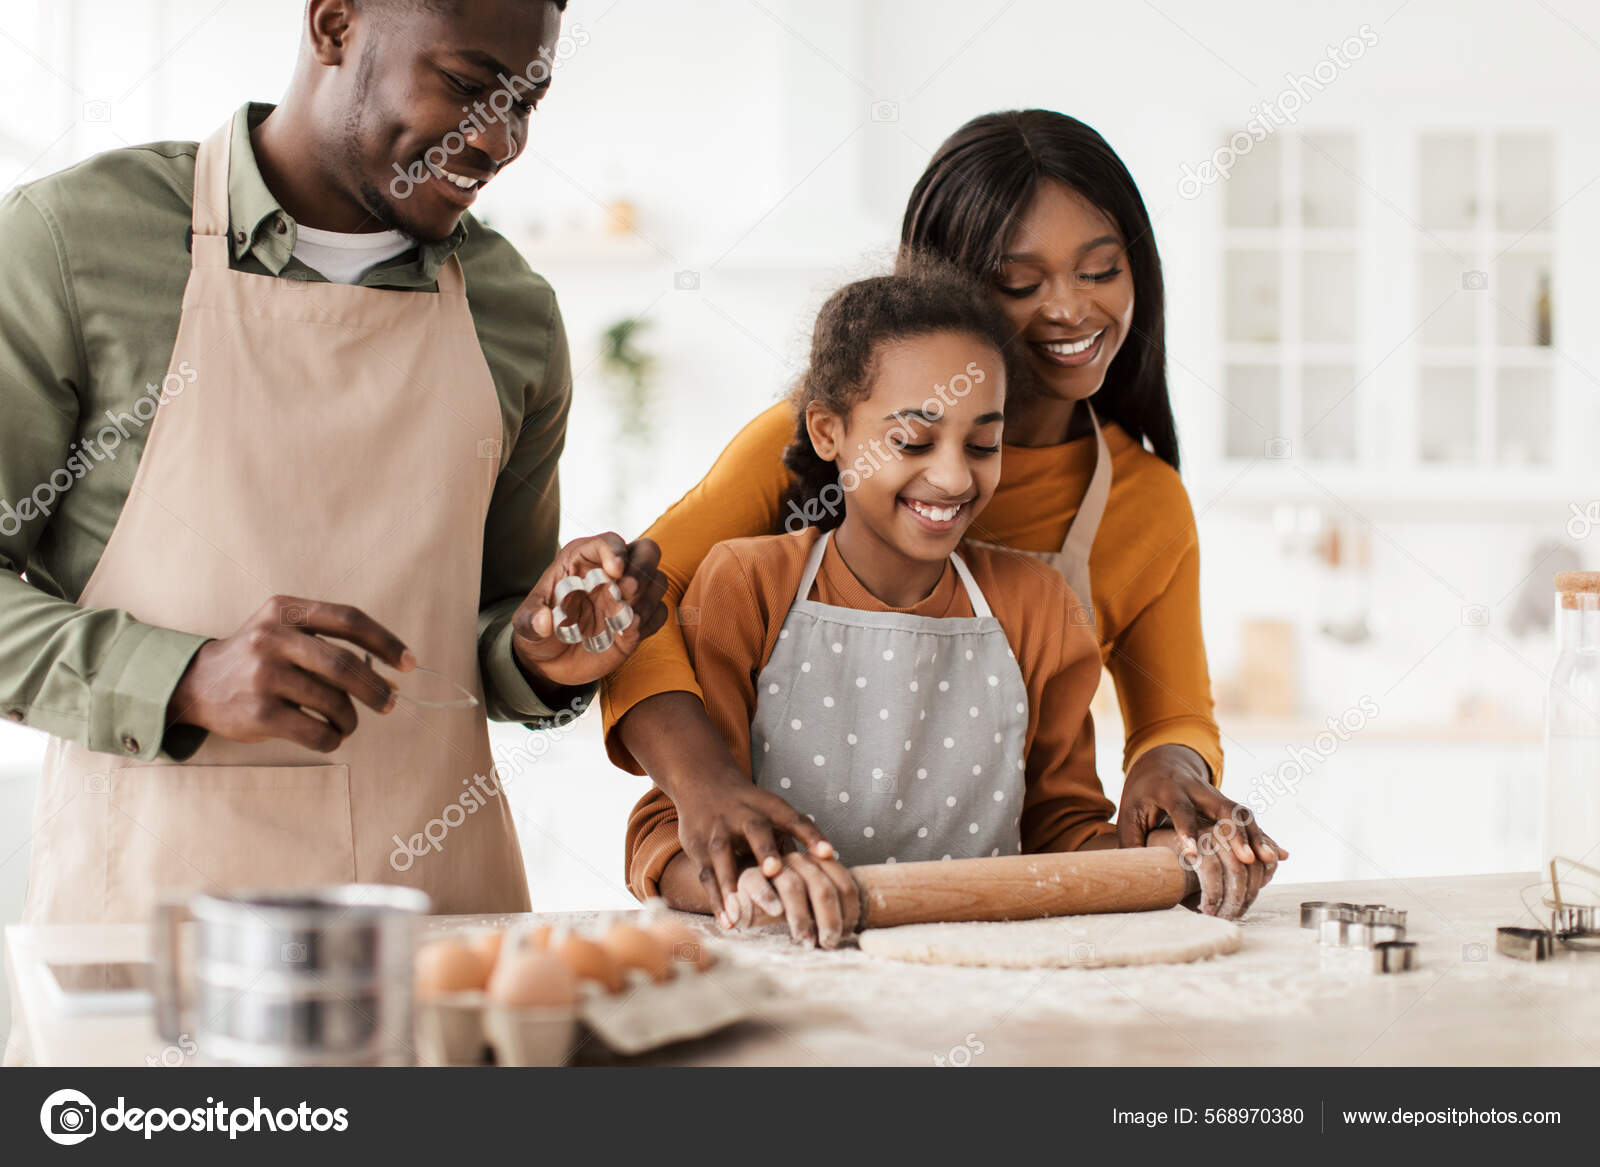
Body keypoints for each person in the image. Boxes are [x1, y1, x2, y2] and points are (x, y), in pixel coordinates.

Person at [0, 0, 666, 978]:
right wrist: (182, 677)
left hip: (443, 935)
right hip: (153, 938)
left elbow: (486, 631)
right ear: (333, 24)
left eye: (526, 100)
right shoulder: (77, 243)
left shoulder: (514, 313)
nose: (500, 139)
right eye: (467, 84)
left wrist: (545, 651)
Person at [607, 110, 1282, 926]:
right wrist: (707, 789)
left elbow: (1153, 732)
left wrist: (1169, 780)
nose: (1069, 308)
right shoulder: (796, 464)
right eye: (1022, 283)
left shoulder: (1138, 509)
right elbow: (635, 610)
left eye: (1101, 269)